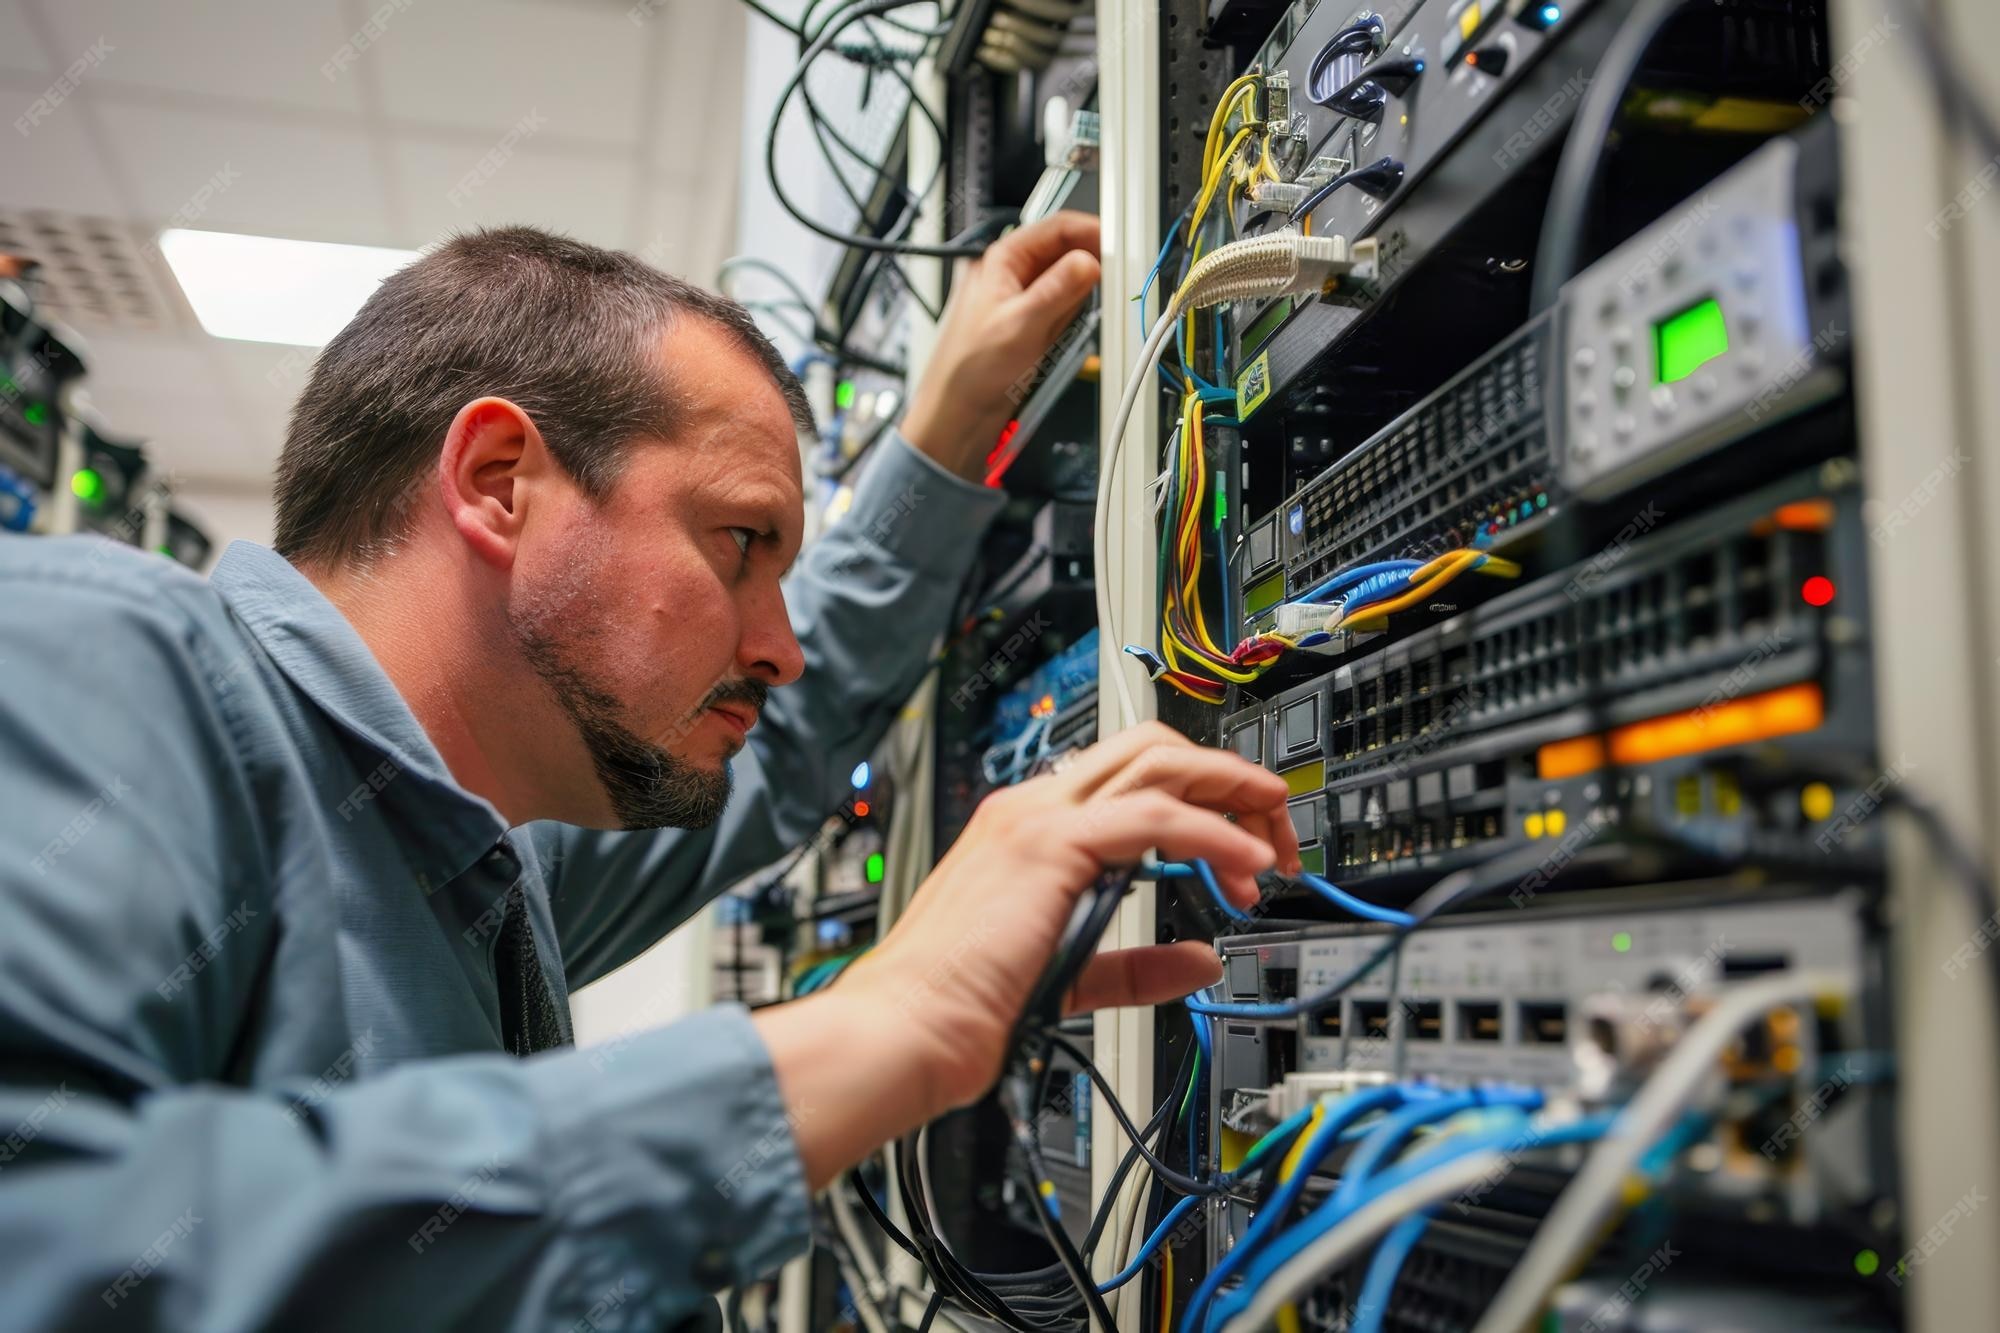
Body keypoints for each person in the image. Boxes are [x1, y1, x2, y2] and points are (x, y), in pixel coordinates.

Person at [0, 215, 1298, 1329]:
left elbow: (784, 733)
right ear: (501, 484)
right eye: (742, 541)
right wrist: (865, 1030)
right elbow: (48, 1243)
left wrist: (948, 431)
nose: (778, 644)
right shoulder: (105, 657)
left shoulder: (487, 869)